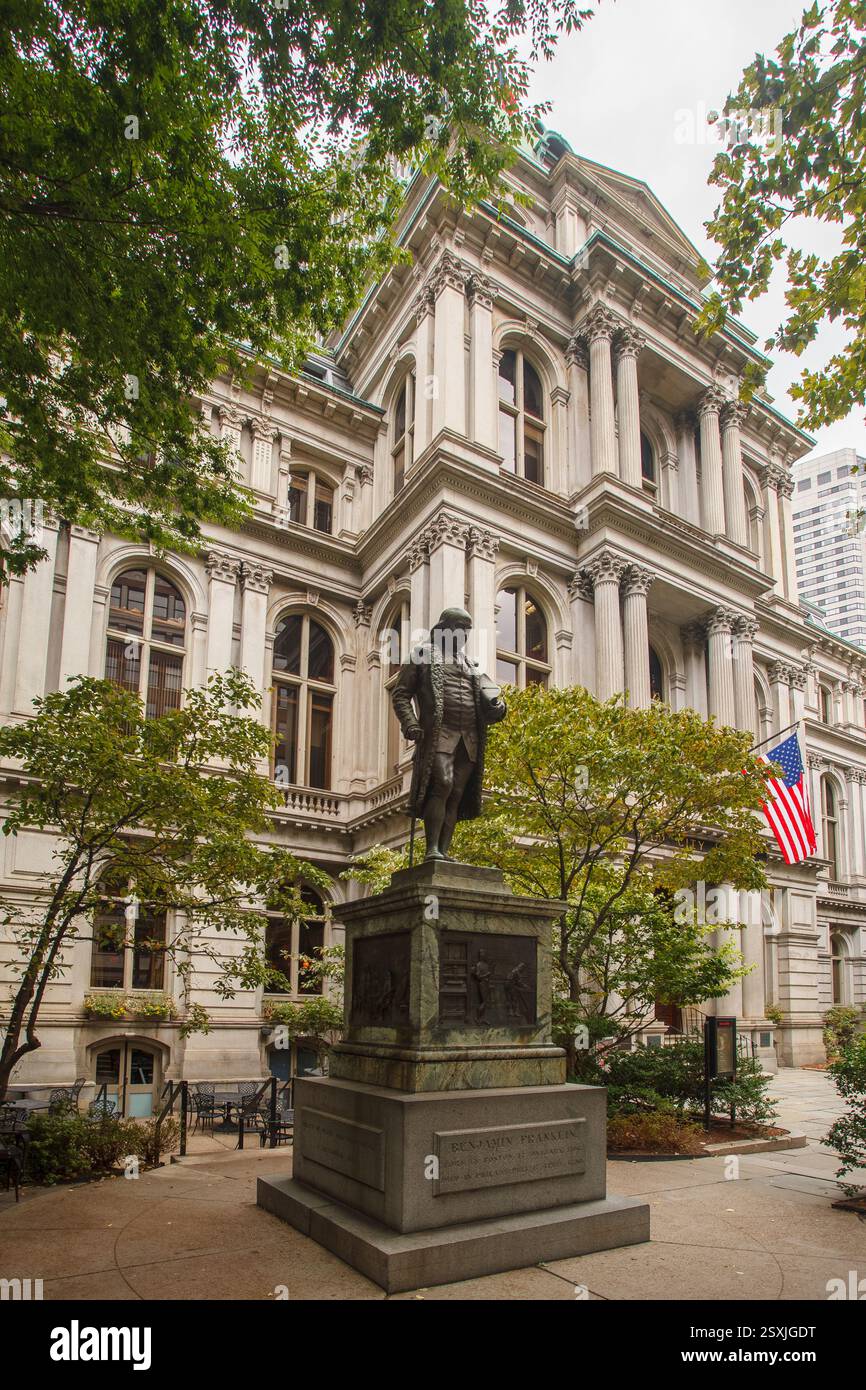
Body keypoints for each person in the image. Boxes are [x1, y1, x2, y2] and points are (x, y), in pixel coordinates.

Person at [391, 607, 506, 860]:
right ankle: (431, 849)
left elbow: (490, 703)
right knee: (441, 784)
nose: (464, 635)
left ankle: (442, 851)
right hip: (439, 733)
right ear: (445, 628)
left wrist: (499, 707)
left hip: (469, 737)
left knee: (455, 792)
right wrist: (410, 724)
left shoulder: (472, 665)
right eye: (460, 629)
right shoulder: (423, 655)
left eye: (467, 631)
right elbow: (400, 695)